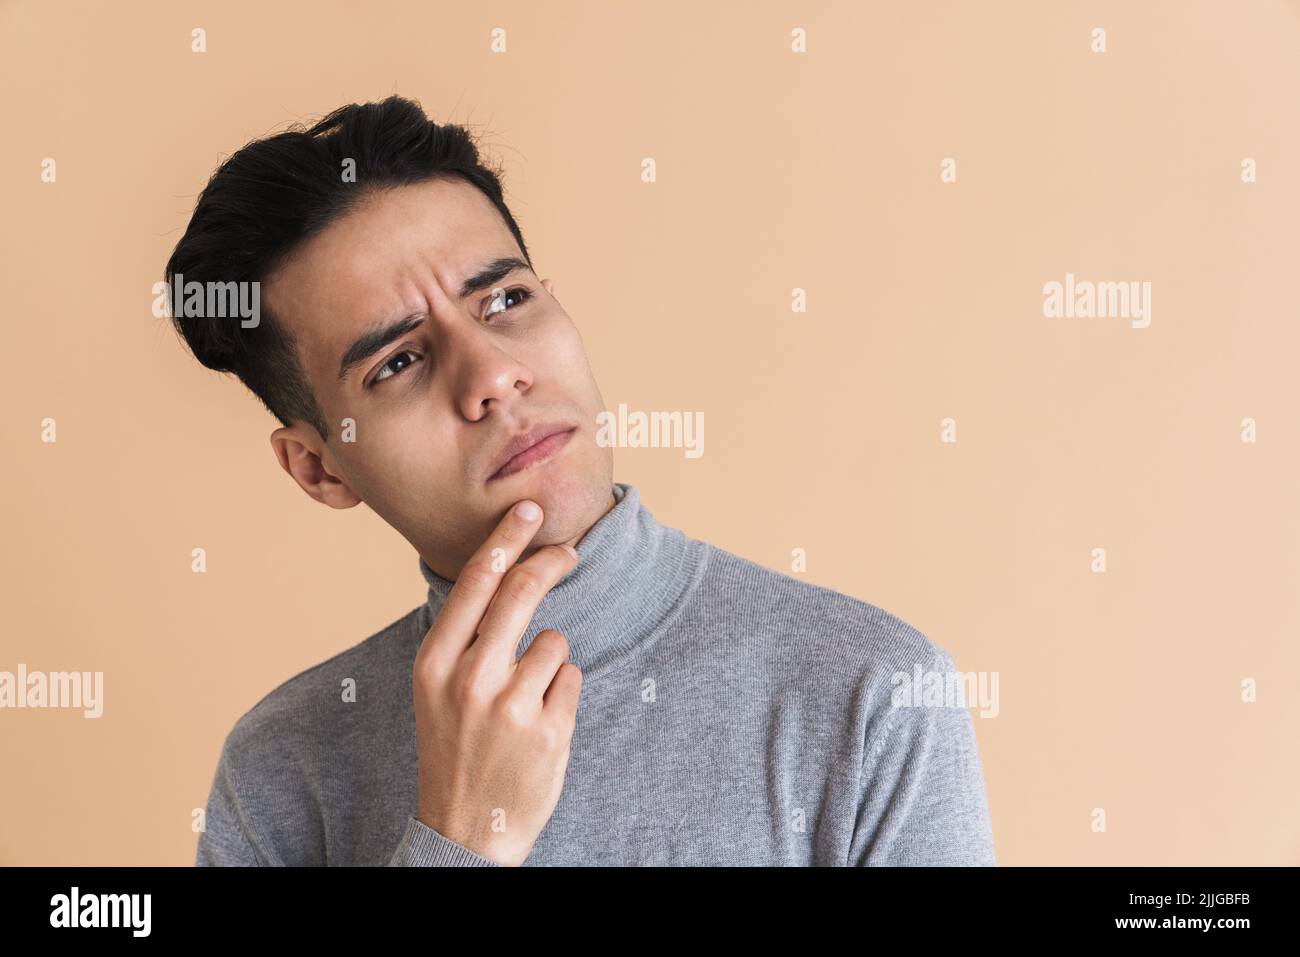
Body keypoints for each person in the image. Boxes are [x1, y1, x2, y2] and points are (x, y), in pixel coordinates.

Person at [167, 95, 996, 866]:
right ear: (318, 466)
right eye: (400, 360)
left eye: (504, 300)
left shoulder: (872, 696)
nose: (493, 374)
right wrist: (459, 839)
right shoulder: (279, 771)